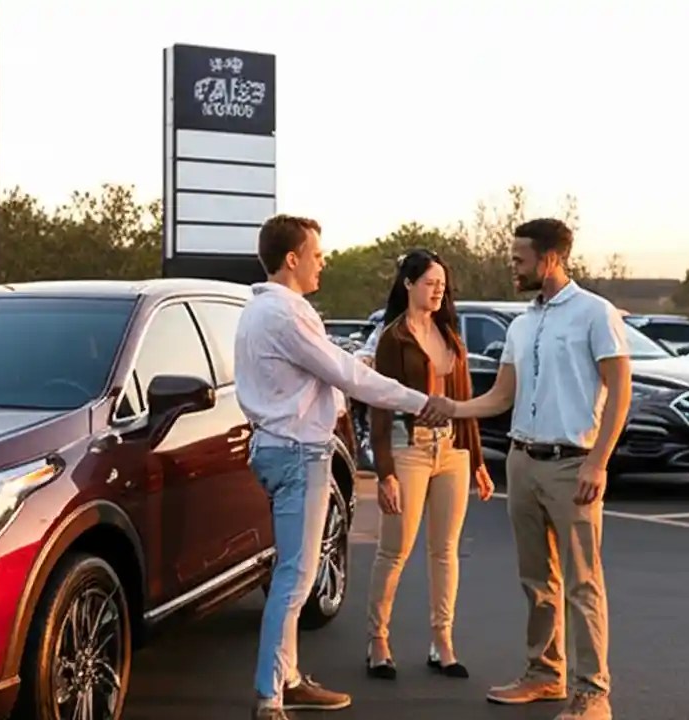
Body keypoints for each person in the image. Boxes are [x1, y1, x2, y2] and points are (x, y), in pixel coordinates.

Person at [234, 214, 455, 720]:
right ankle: (270, 696)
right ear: (292, 259)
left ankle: (287, 678)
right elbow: (349, 377)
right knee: (295, 579)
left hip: (274, 448)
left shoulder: (257, 311)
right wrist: (422, 401)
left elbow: (326, 365)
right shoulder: (287, 314)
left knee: (294, 573)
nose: (322, 263)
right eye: (316, 254)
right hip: (298, 453)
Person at [452, 218, 631, 720]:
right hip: (522, 463)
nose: (512, 266)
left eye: (519, 259)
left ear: (550, 257)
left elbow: (620, 391)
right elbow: (501, 396)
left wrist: (598, 461)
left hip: (572, 464)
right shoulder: (521, 324)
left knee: (582, 583)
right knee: (536, 580)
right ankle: (544, 675)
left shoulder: (596, 313)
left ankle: (593, 694)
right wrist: (449, 407)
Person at [363, 249, 496, 682]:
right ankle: (378, 640)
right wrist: (384, 472)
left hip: (452, 453)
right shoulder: (393, 338)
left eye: (442, 284)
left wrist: (476, 460)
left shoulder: (450, 334)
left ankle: (443, 641)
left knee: (444, 552)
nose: (438, 291)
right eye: (429, 283)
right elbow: (378, 409)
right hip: (409, 449)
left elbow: (465, 402)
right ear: (408, 284)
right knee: (395, 550)